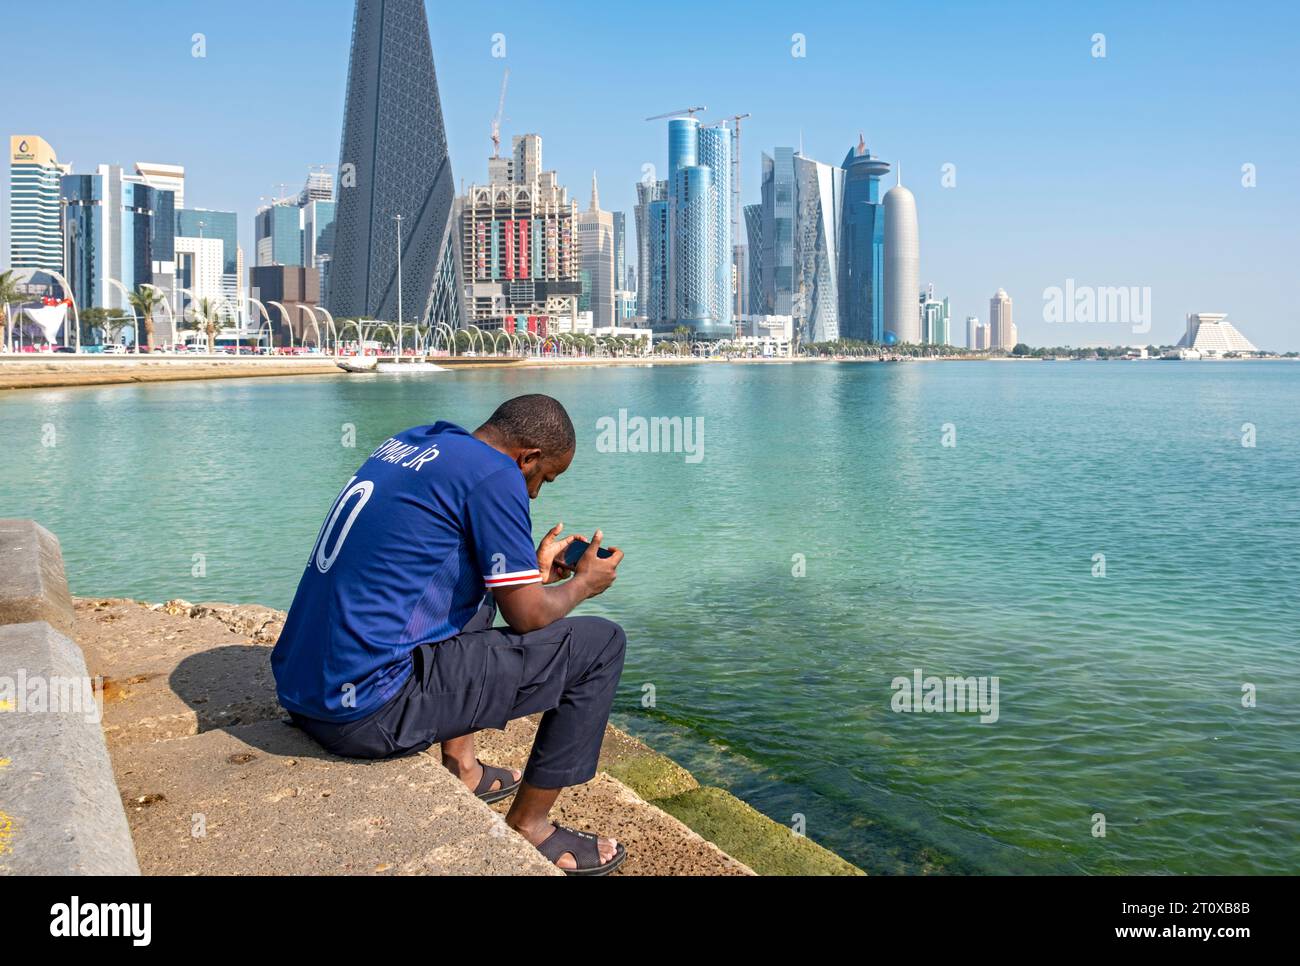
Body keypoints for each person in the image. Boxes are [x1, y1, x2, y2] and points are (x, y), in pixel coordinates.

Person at [271, 394, 628, 875]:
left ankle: (463, 767)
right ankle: (532, 825)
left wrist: (532, 577)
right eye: (544, 478)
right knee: (601, 646)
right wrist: (584, 584)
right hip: (367, 715)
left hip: (305, 692)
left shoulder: (415, 442)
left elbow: (433, 571)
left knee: (483, 585)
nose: (537, 494)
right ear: (528, 457)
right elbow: (525, 619)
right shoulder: (497, 476)